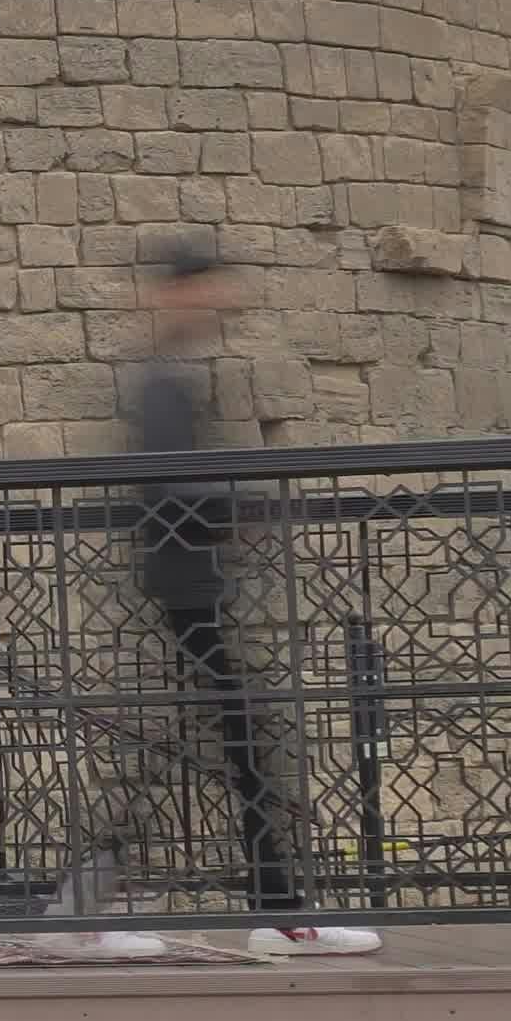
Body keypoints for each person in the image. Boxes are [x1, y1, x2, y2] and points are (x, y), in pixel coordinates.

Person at [123, 243, 367, 958]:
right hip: (183, 589)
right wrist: (243, 501)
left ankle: (275, 910)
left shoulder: (171, 377)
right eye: (210, 285)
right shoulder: (162, 382)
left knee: (217, 751)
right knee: (235, 751)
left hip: (187, 588)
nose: (225, 298)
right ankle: (276, 913)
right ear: (179, 291)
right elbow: (163, 487)